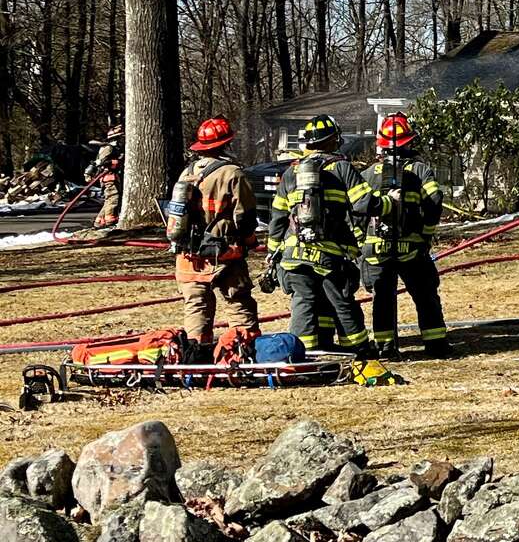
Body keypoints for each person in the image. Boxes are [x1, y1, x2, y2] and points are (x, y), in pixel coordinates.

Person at [268, 114, 376, 356]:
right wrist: (387, 206)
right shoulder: (342, 168)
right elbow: (364, 204)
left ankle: (303, 352)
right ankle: (359, 349)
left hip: (293, 254)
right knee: (341, 301)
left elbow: (277, 217)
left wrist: (273, 251)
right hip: (329, 254)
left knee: (304, 301)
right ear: (334, 140)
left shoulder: (291, 173)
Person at [360, 113, 450, 358]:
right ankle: (436, 345)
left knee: (383, 299)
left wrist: (360, 243)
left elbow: (357, 209)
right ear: (409, 142)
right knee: (425, 294)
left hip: (376, 249)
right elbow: (435, 200)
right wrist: (425, 235)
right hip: (411, 247)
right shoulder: (420, 169)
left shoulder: (368, 174)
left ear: (381, 143)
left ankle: (386, 348)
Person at [169, 116, 260, 351]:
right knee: (238, 302)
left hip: (189, 256)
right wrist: (250, 241)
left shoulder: (186, 173)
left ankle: (195, 357)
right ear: (226, 144)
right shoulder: (232, 173)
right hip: (224, 254)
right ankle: (245, 352)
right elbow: (245, 216)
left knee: (196, 307)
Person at [90, 124, 124, 228]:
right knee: (113, 198)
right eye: (121, 138)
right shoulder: (108, 148)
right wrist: (117, 162)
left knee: (109, 200)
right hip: (108, 177)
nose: (122, 140)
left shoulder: (112, 148)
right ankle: (110, 221)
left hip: (111, 177)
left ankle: (99, 221)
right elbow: (101, 162)